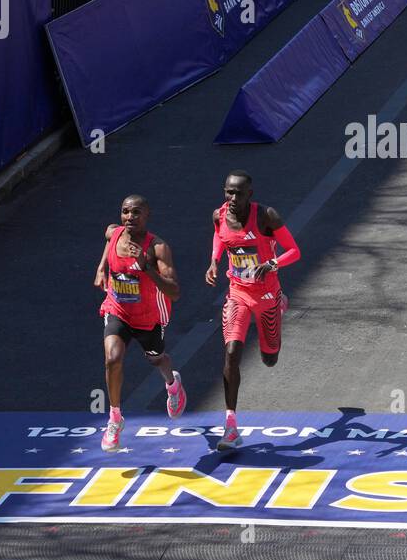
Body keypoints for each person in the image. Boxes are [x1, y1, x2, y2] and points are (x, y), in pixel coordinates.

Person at [205, 170, 301, 450]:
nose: (232, 198)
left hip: (267, 293)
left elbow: (294, 250)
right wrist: (213, 261)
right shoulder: (219, 215)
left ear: (250, 194)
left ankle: (280, 302)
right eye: (228, 192)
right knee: (232, 352)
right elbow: (220, 238)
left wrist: (271, 264)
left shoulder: (266, 216)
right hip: (237, 292)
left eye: (238, 193)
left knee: (270, 358)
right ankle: (231, 426)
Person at [94, 195, 185, 452]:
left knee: (157, 359)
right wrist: (102, 267)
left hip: (148, 316)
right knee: (113, 358)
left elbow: (175, 292)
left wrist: (146, 267)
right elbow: (109, 240)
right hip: (118, 308)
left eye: (136, 213)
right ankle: (114, 418)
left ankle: (172, 384)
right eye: (125, 212)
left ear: (147, 216)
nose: (129, 217)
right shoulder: (114, 232)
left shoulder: (158, 248)